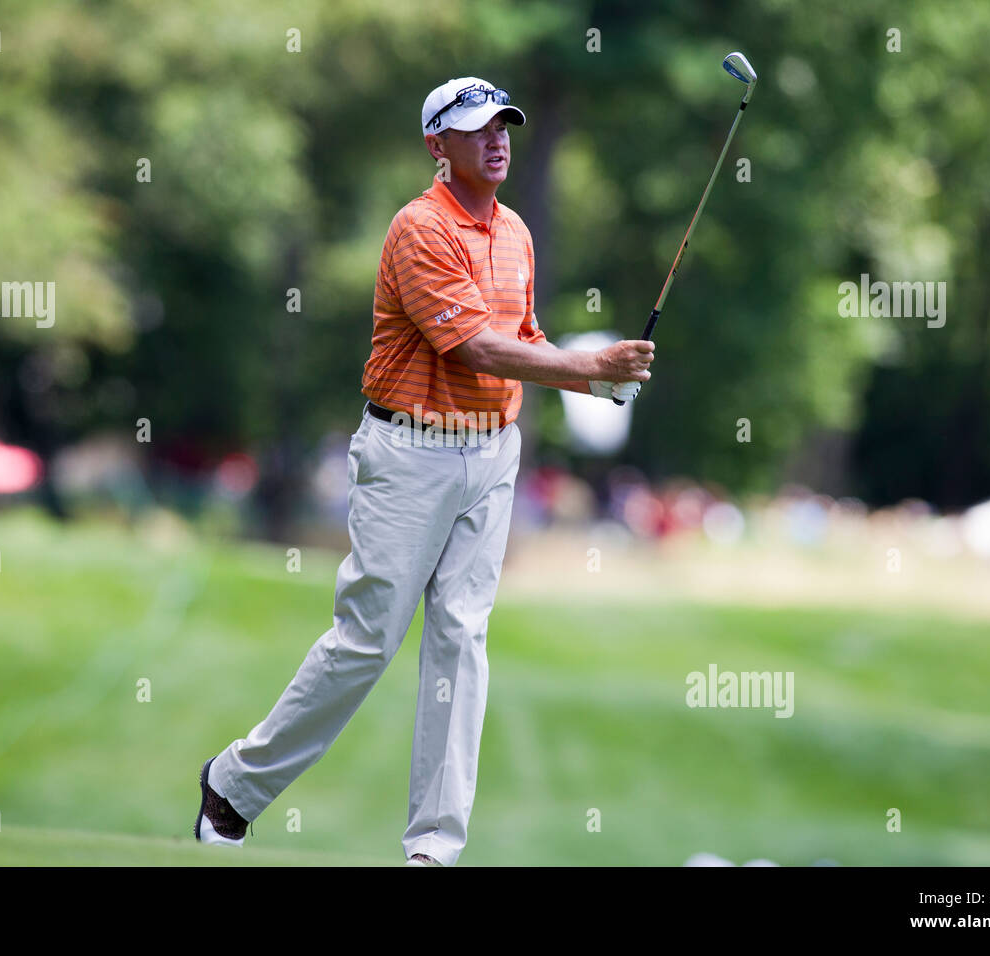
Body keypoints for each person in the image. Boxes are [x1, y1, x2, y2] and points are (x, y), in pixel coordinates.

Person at [194, 76, 654, 866]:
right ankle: (234, 786)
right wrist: (586, 367)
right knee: (367, 640)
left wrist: (594, 378)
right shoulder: (418, 229)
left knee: (461, 640)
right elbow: (472, 346)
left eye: (505, 126)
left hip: (493, 453)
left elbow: (523, 335)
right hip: (410, 453)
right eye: (478, 129)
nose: (498, 140)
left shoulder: (516, 233)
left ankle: (433, 851)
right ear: (438, 144)